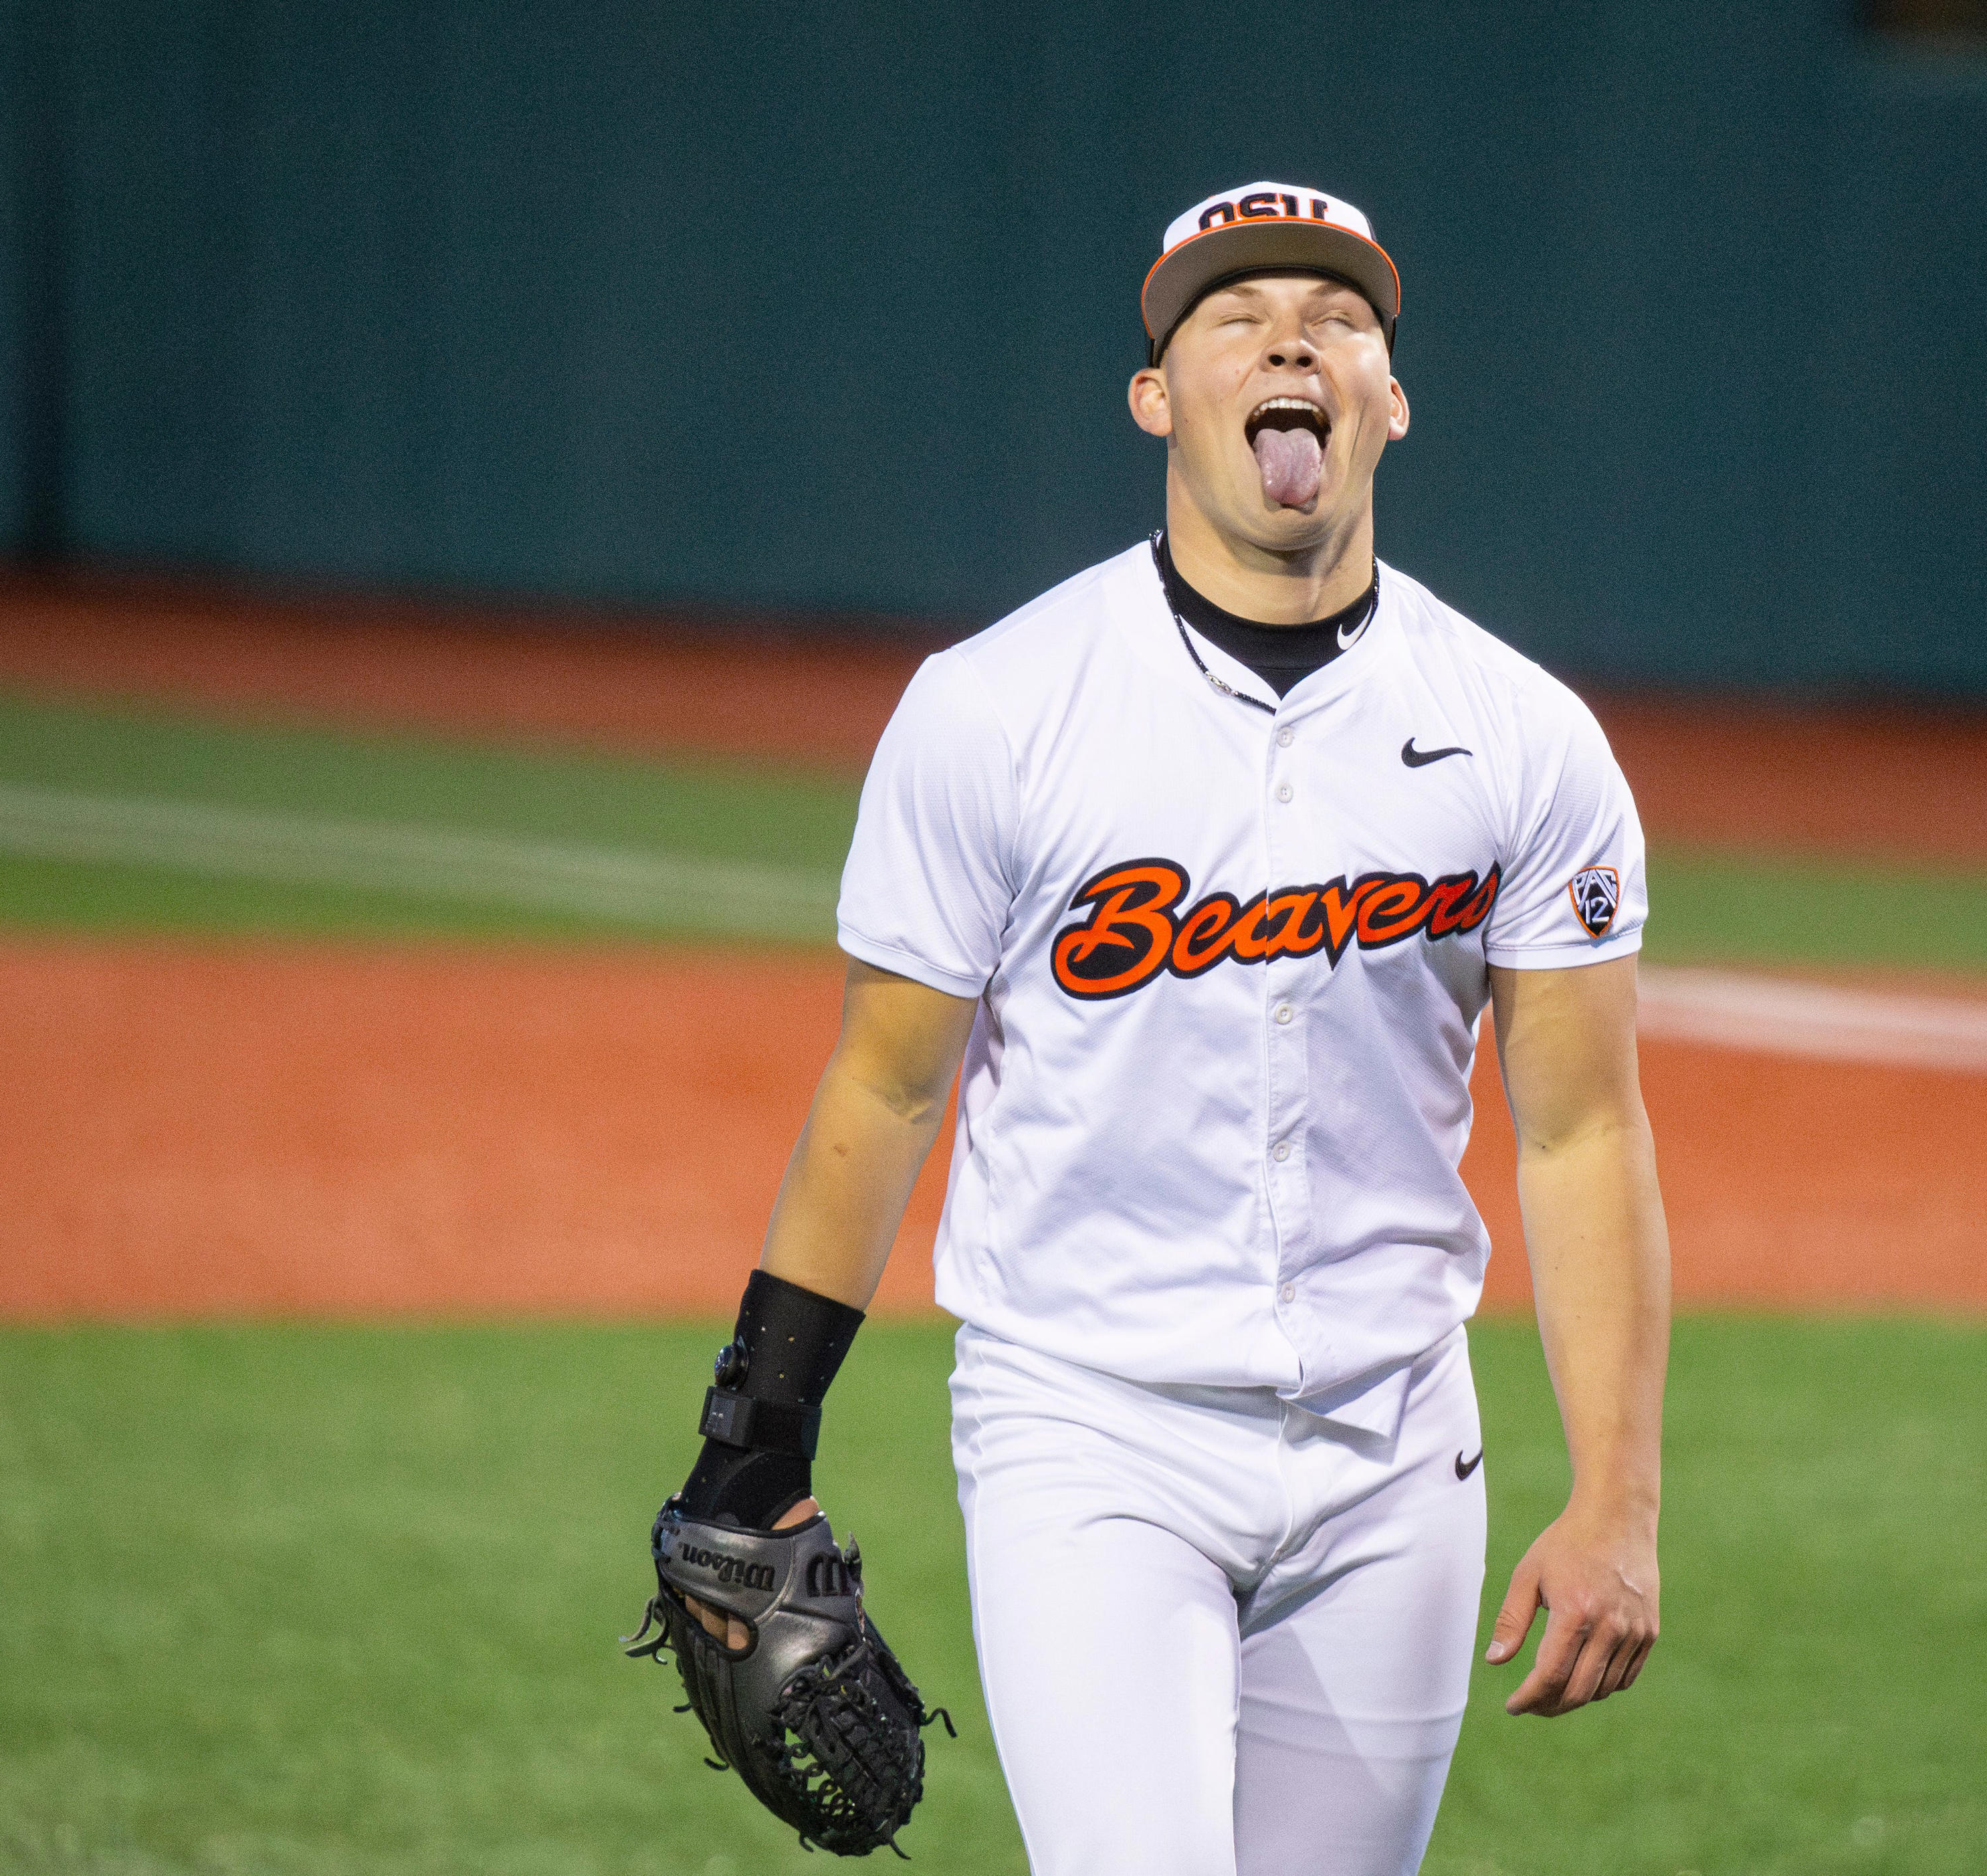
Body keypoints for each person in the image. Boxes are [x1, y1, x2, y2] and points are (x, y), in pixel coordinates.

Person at [660, 182, 1671, 1873]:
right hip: (1088, 1427)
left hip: (1395, 1449)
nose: (1293, 335)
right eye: (1234, 312)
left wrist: (1619, 1490)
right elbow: (885, 1088)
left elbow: (1581, 1128)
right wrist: (754, 1434)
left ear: (1391, 399)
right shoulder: (999, 708)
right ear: (1156, 395)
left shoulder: (1521, 736)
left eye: (1340, 316)